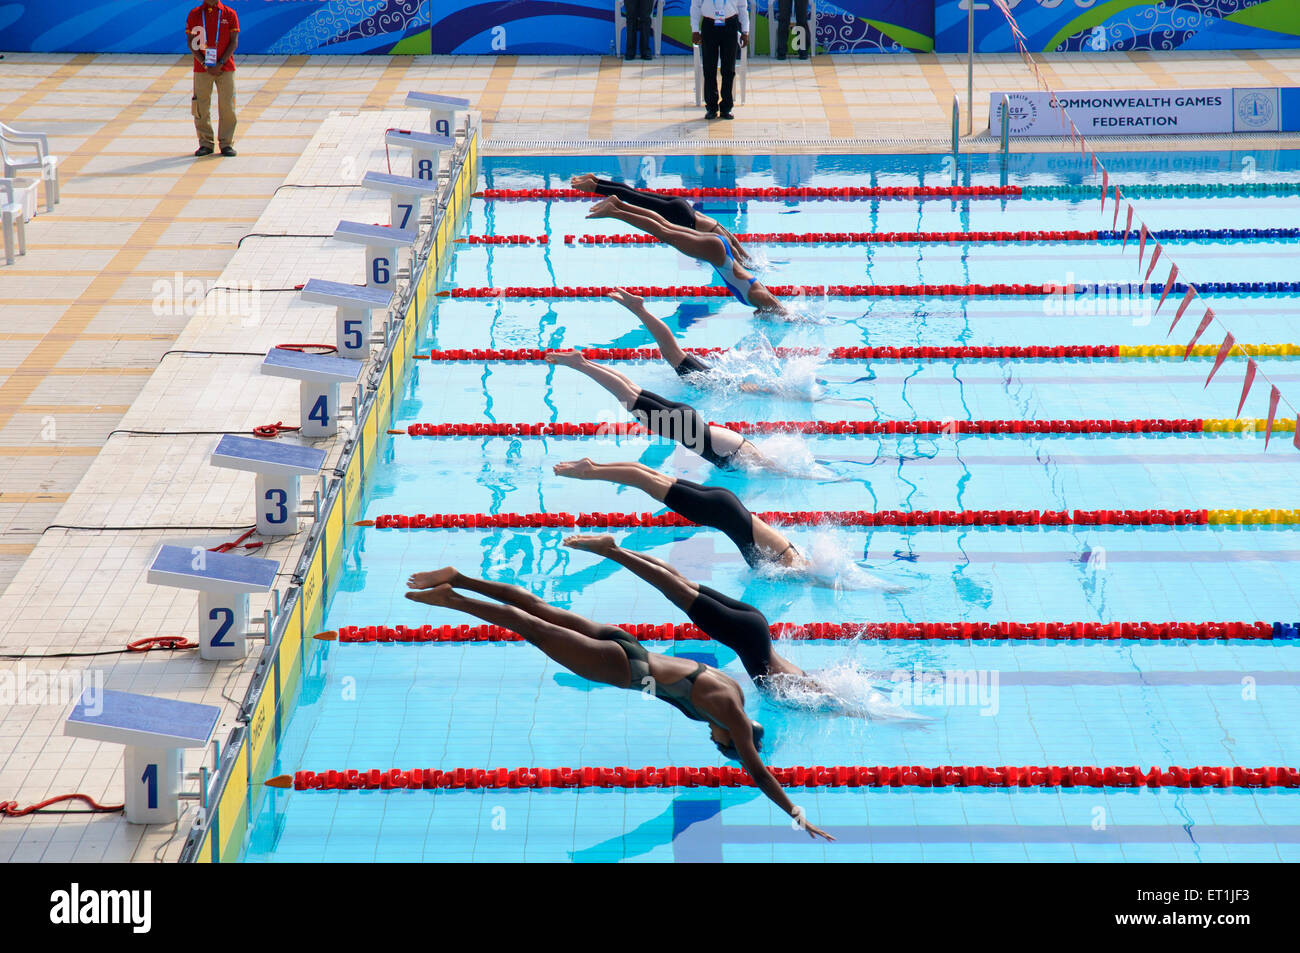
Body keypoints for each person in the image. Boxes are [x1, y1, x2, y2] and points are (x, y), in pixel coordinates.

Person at [404, 566, 833, 840]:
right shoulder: (731, 716)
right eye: (721, 743)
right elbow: (758, 772)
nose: (713, 738)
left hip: (629, 645)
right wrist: (797, 814)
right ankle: (453, 599)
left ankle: (458, 579)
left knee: (539, 609)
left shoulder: (732, 690)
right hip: (620, 668)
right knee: (530, 626)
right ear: (735, 738)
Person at [563, 534, 803, 684]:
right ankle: (611, 551)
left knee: (679, 583)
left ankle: (617, 550)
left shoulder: (805, 679)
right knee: (676, 591)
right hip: (746, 639)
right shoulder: (801, 690)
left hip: (756, 628)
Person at [543, 348, 783, 471]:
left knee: (632, 391)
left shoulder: (750, 449)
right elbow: (772, 469)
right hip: (683, 428)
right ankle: (580, 364)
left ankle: (583, 362)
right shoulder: (751, 461)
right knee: (627, 396)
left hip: (689, 419)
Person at [588, 194, 787, 315]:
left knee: (665, 227)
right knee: (662, 231)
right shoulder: (758, 296)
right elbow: (779, 311)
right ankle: (615, 211)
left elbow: (765, 310)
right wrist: (792, 318)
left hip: (719, 248)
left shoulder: (760, 297)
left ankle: (620, 205)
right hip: (715, 253)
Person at [570, 173, 752, 264]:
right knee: (635, 199)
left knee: (634, 194)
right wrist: (746, 265)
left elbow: (735, 244)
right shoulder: (723, 246)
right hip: (681, 217)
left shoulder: (726, 235)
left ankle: (595, 181)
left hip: (682, 206)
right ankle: (595, 187)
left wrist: (748, 259)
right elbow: (734, 254)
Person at [185, 0, 240, 158]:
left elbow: (233, 42)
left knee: (227, 105)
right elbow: (191, 43)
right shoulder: (195, 14)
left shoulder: (229, 13)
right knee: (200, 105)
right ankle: (205, 143)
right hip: (202, 68)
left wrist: (220, 62)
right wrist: (204, 62)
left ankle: (226, 143)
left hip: (225, 67)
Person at [690, 0, 749, 121]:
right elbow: (695, 6)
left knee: (728, 68)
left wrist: (745, 31)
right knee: (709, 68)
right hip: (709, 25)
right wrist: (695, 30)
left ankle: (726, 107)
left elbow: (743, 7)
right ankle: (711, 107)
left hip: (730, 24)